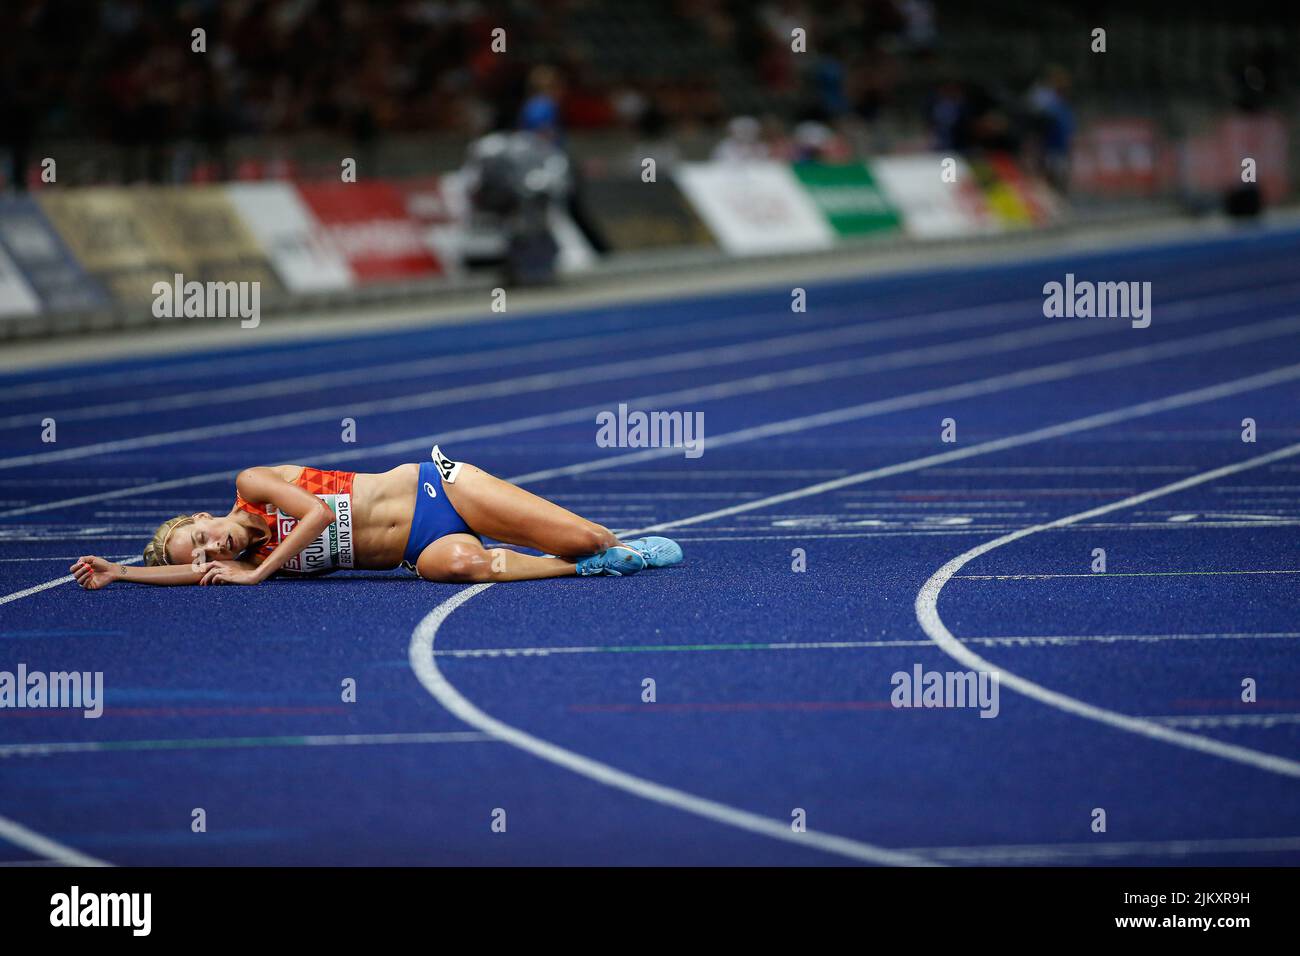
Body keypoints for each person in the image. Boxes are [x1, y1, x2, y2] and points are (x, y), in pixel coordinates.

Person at [70, 446, 682, 588]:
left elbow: (310, 515)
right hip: (420, 547)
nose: (209, 550)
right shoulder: (245, 559)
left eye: (199, 536)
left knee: (584, 533)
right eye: (205, 556)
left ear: (204, 515)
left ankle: (603, 545)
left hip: (440, 491)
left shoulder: (252, 488)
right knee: (463, 565)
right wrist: (121, 572)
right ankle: (587, 570)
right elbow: (189, 577)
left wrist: (256, 575)